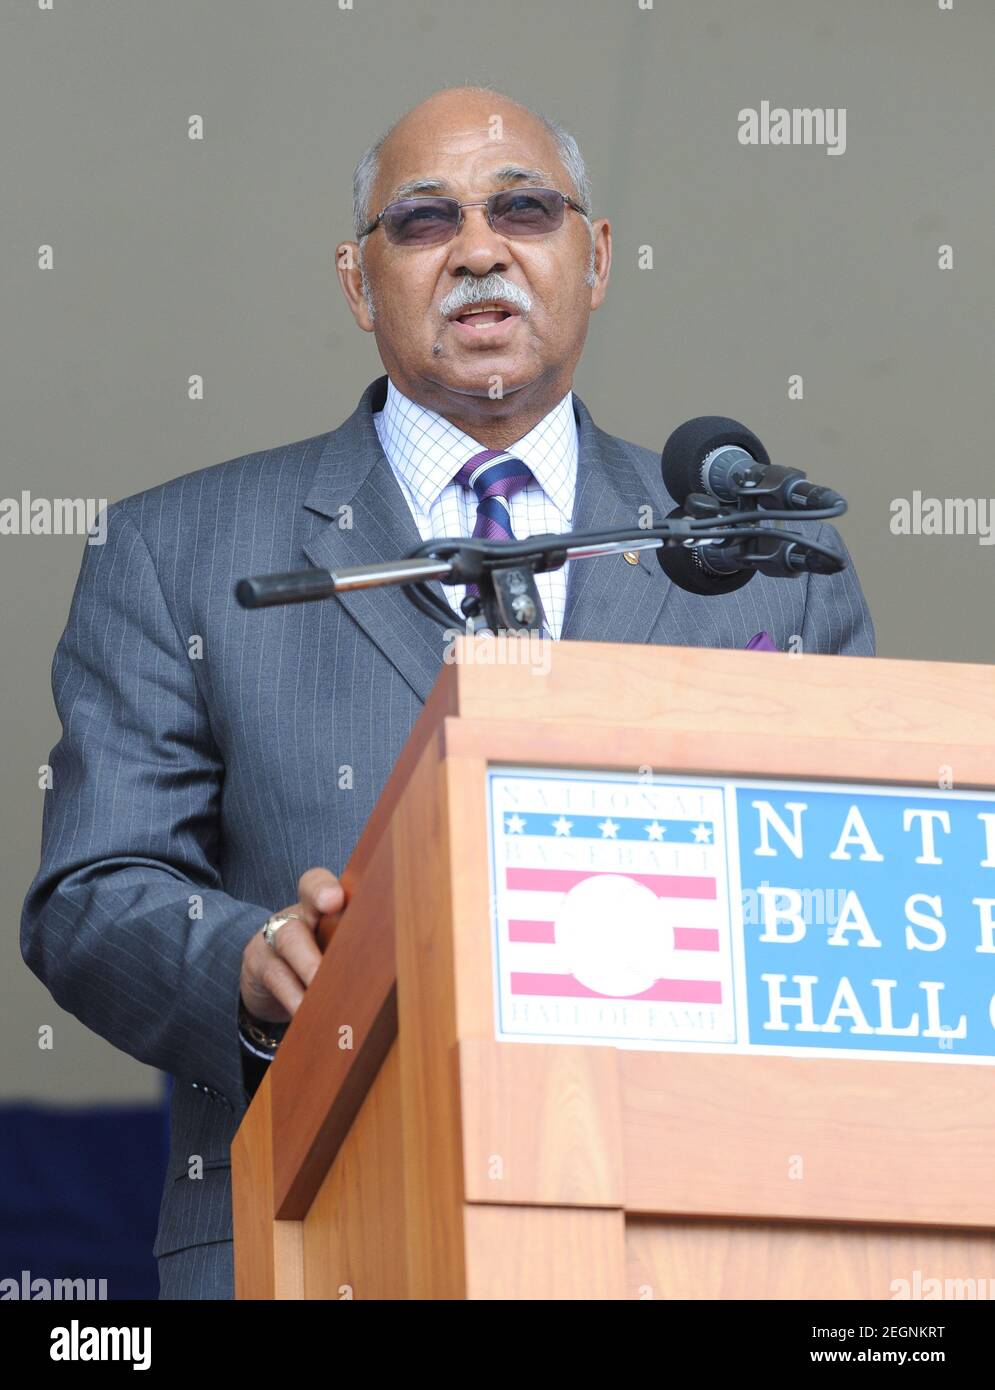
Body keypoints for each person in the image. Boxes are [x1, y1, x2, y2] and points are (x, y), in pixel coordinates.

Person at [20, 85, 874, 1301]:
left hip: (700, 1246)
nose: (480, 248)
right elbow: (90, 895)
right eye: (423, 222)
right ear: (357, 283)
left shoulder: (760, 552)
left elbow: (850, 893)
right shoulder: (174, 550)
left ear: (597, 260)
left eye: (523, 208)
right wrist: (253, 964)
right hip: (318, 1236)